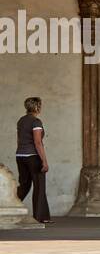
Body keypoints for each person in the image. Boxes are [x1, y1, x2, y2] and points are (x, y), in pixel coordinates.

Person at [15, 96, 51, 225]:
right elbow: (38, 142)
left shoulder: (21, 121)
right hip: (33, 157)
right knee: (39, 186)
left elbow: (18, 140)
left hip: (20, 155)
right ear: (37, 107)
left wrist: (21, 151)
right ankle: (41, 217)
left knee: (24, 185)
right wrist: (44, 161)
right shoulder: (36, 122)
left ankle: (7, 206)